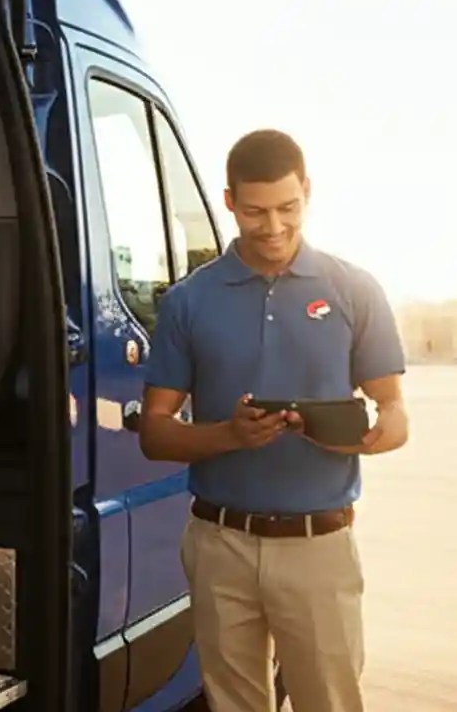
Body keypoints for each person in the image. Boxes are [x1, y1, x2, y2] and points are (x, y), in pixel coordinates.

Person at [139, 129, 408, 712]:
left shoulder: (354, 289)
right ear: (230, 201)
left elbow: (395, 414)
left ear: (307, 192)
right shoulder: (189, 301)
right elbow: (156, 434)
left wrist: (371, 432)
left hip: (319, 545)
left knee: (328, 703)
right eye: (255, 211)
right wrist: (228, 435)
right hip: (219, 543)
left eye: (288, 208)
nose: (274, 227)